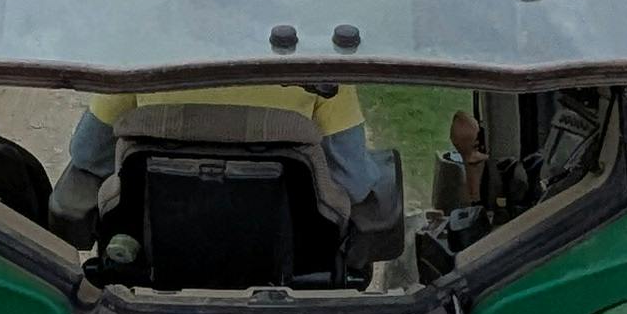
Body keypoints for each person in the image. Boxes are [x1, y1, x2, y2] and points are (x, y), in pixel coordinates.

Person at [48, 83, 399, 234]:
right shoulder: (318, 64)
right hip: (298, 257)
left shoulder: (142, 53)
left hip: (150, 247)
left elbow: (90, 155)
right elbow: (351, 179)